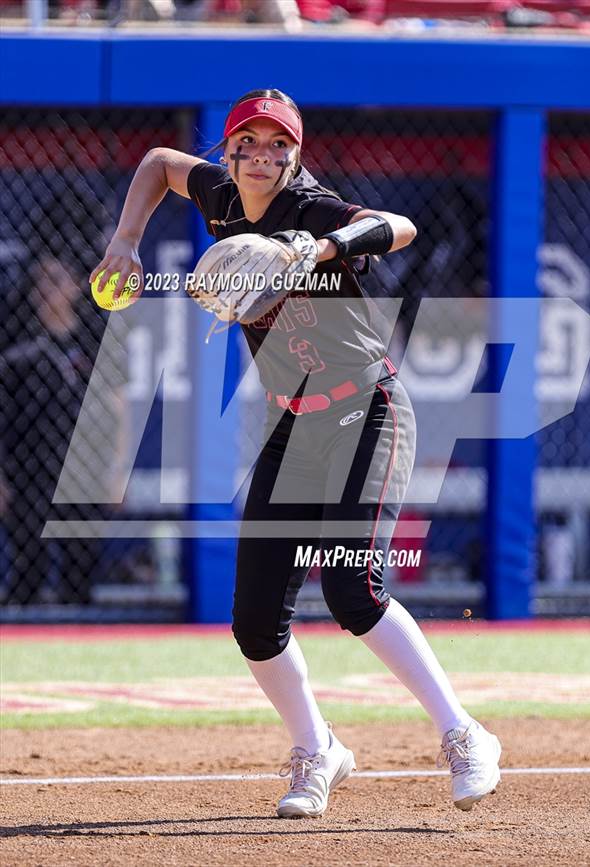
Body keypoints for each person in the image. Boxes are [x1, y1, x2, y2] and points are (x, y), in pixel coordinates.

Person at [91, 88, 502, 818]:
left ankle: (464, 733)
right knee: (253, 620)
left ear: (296, 154)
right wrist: (125, 240)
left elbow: (398, 225)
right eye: (250, 141)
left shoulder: (311, 208)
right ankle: (319, 748)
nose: (264, 155)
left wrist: (324, 245)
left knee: (355, 590)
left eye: (280, 143)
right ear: (230, 150)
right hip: (295, 422)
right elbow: (157, 162)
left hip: (368, 410)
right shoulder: (219, 194)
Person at [0, 253, 127, 604]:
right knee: (27, 570)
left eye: (56, 281)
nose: (45, 290)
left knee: (80, 569)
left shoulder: (95, 341)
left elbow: (119, 405)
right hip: (28, 468)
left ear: (75, 287)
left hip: (85, 466)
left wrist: (118, 470)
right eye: (39, 282)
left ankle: (80, 631)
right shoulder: (15, 347)